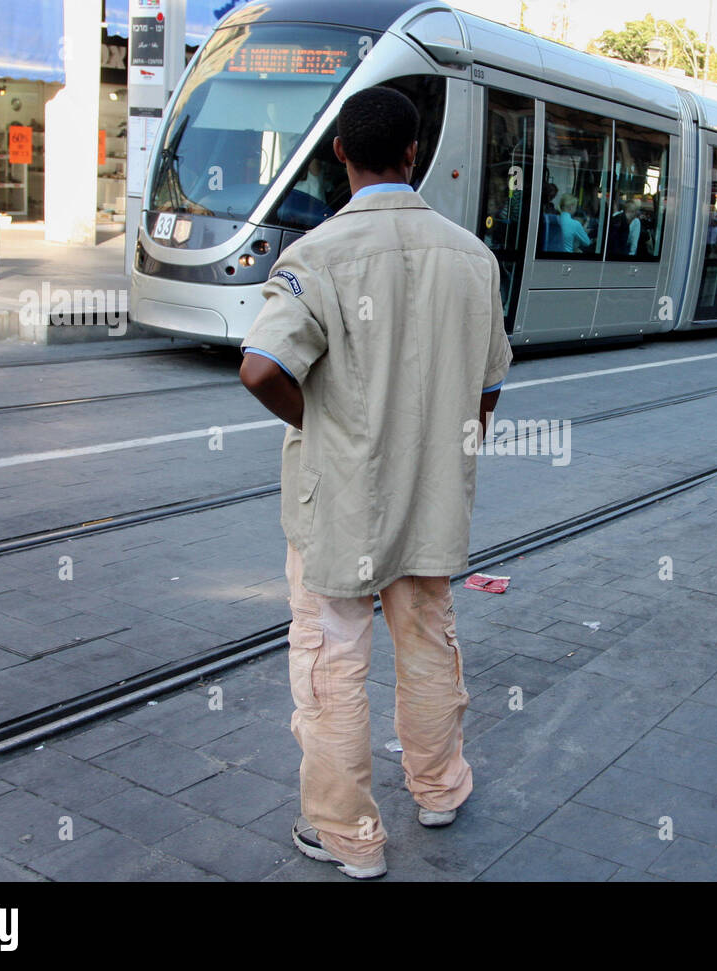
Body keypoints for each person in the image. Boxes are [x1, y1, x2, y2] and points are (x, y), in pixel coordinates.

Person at [237, 86, 513, 879]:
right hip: (430, 502)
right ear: (414, 154)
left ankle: (348, 834)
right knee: (428, 644)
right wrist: (449, 445)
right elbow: (489, 381)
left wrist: (321, 426)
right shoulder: (472, 256)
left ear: (338, 154)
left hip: (340, 505)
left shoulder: (317, 256)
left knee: (331, 659)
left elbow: (261, 369)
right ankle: (439, 787)